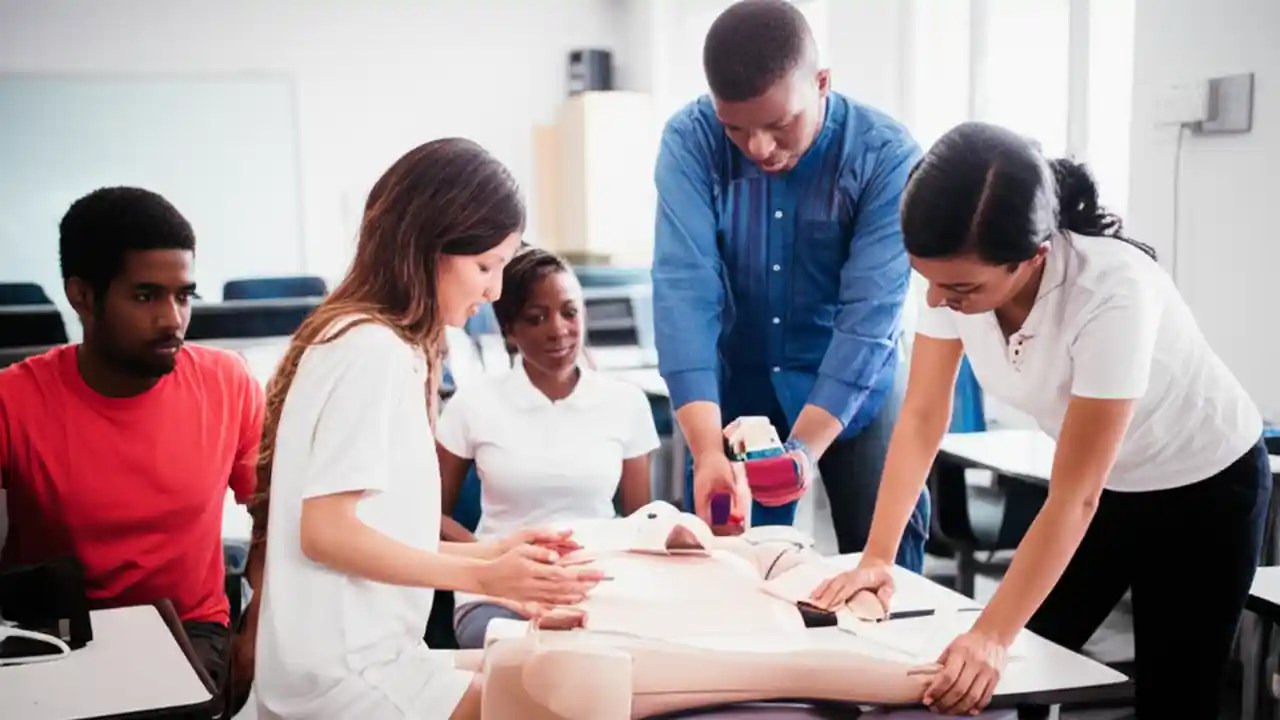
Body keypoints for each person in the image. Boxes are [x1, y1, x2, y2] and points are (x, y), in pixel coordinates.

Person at [809, 121, 1271, 718]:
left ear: (1033, 258)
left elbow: (1075, 498)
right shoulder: (956, 280)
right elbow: (923, 416)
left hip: (1204, 487)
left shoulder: (1111, 291)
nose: (934, 301)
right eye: (928, 281)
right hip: (1104, 488)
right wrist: (877, 558)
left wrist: (992, 635)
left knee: (1174, 697)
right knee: (1022, 663)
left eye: (957, 288)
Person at [247, 138, 603, 720]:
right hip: (350, 679)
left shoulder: (372, 339)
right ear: (427, 248)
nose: (493, 291)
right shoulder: (371, 350)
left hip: (367, 659)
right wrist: (485, 573)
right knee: (574, 700)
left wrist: (496, 554)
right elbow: (327, 534)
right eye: (485, 266)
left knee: (562, 677)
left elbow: (372, 531)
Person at [651, 0, 929, 567]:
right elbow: (685, 288)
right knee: (726, 561)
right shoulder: (690, 141)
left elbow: (869, 315)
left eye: (779, 125)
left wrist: (801, 451)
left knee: (884, 563)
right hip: (737, 383)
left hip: (854, 386)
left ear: (821, 82)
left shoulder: (885, 156)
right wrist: (706, 450)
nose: (757, 148)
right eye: (736, 128)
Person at [0, 187, 264, 716]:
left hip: (188, 628)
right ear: (82, 296)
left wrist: (255, 633)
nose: (173, 320)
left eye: (184, 295)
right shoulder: (13, 399)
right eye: (145, 296)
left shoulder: (227, 382)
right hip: (56, 632)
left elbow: (274, 518)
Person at [436, 246, 661, 649]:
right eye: (535, 318)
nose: (558, 330)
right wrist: (492, 558)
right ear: (509, 329)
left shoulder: (625, 402)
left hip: (596, 582)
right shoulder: (472, 404)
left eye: (569, 312)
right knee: (531, 653)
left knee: (610, 656)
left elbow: (640, 519)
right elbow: (430, 514)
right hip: (497, 588)